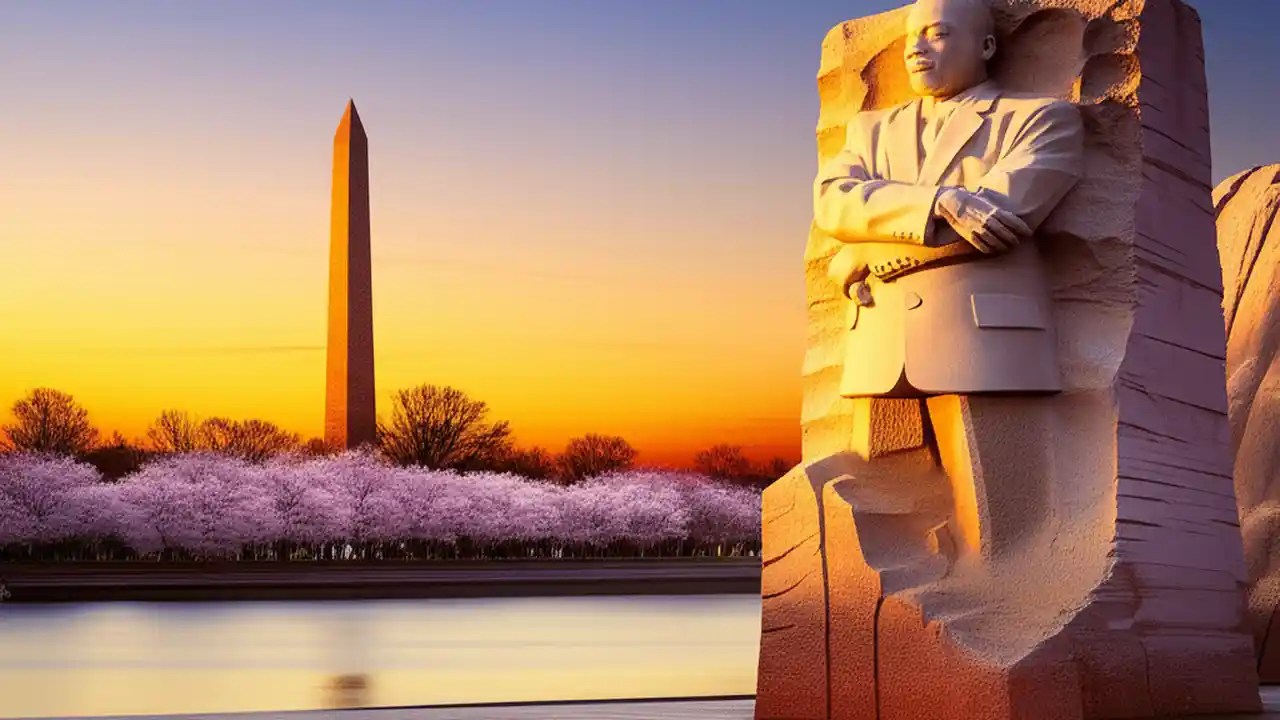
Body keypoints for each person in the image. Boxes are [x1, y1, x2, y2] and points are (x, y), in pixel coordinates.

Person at [813, 0, 1084, 556]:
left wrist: (862, 253)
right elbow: (832, 205)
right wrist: (942, 201)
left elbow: (1001, 220)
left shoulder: (1039, 119)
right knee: (880, 521)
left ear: (985, 46)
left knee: (1001, 526)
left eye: (937, 34)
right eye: (913, 37)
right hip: (879, 339)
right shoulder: (870, 130)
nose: (916, 48)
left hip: (983, 336)